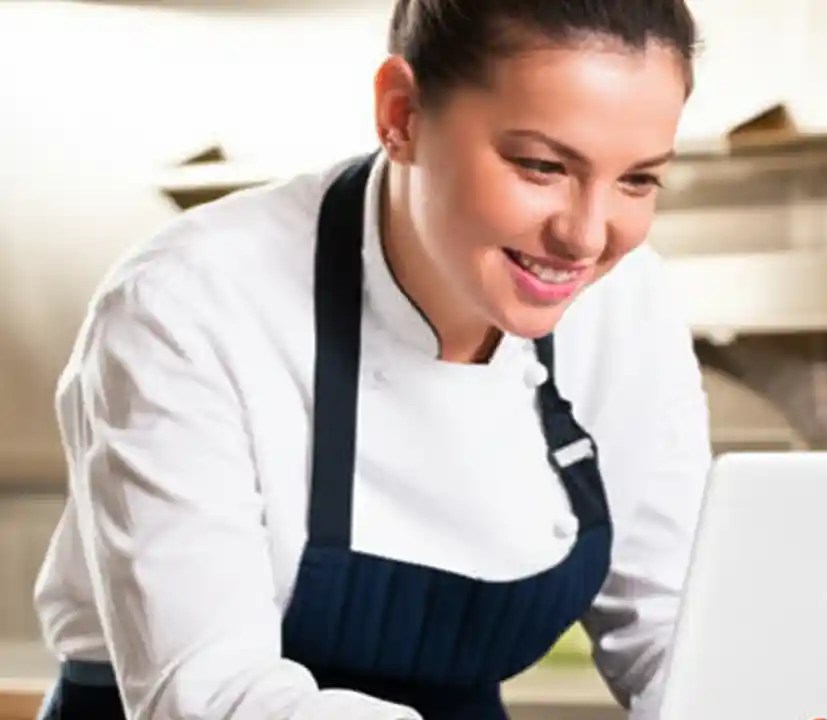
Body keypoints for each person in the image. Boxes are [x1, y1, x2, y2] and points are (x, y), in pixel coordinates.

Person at [31, 0, 710, 718]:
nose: (586, 237)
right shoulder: (191, 301)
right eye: (541, 166)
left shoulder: (630, 301)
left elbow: (676, 629)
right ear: (402, 113)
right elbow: (208, 693)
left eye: (638, 180)